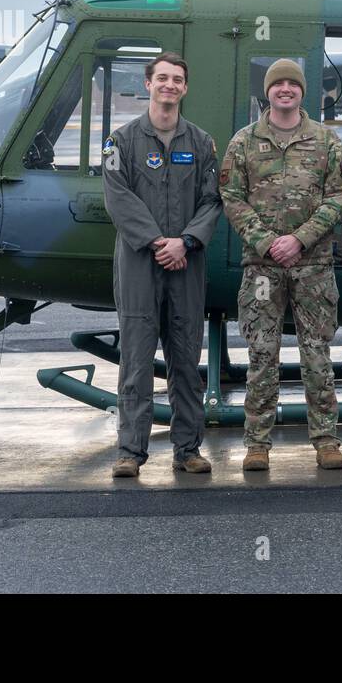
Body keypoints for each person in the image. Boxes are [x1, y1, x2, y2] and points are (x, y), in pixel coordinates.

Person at [219, 59, 342, 472]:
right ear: (268, 92)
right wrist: (266, 242)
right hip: (262, 268)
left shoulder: (325, 140)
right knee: (262, 354)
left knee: (317, 353)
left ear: (301, 92)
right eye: (277, 84)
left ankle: (326, 440)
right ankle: (257, 443)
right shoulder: (244, 142)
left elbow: (339, 195)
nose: (284, 90)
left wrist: (300, 239)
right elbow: (231, 197)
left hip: (312, 266)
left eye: (291, 84)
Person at [102, 52, 222, 478]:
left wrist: (185, 242)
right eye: (163, 79)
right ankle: (130, 452)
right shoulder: (121, 142)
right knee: (135, 359)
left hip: (186, 262)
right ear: (148, 84)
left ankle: (187, 449)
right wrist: (157, 242)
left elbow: (212, 201)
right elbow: (118, 199)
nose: (170, 86)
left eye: (177, 80)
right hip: (139, 263)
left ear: (185, 88)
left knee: (186, 359)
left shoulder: (202, 143)